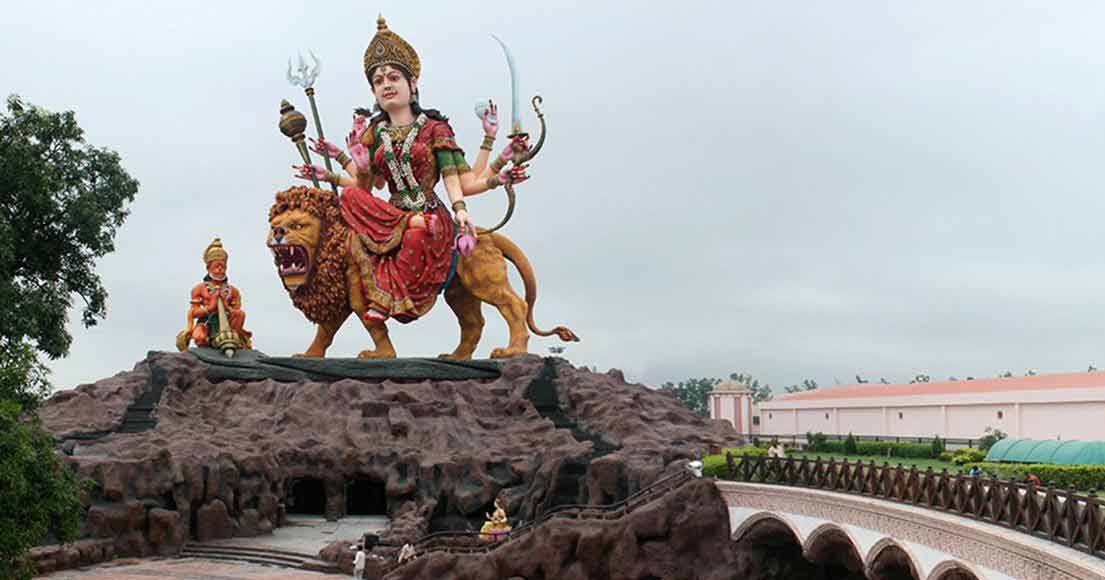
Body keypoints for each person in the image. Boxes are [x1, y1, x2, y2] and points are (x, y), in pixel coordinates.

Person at [294, 16, 529, 325]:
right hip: (392, 216)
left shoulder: (434, 128)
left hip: (429, 215)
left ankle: (388, 297)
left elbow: (455, 179)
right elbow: (367, 187)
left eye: (393, 77)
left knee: (418, 228)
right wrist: (347, 166)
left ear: (412, 82)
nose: (386, 85)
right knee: (349, 199)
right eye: (378, 81)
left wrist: (463, 208)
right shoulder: (374, 133)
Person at [176, 238, 252, 350]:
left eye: (223, 266)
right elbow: (193, 312)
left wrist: (226, 306)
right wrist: (210, 307)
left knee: (240, 314)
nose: (220, 269)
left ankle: (233, 339)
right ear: (208, 267)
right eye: (217, 266)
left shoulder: (233, 291)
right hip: (207, 321)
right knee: (199, 337)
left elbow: (237, 311)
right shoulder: (199, 289)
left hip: (229, 324)